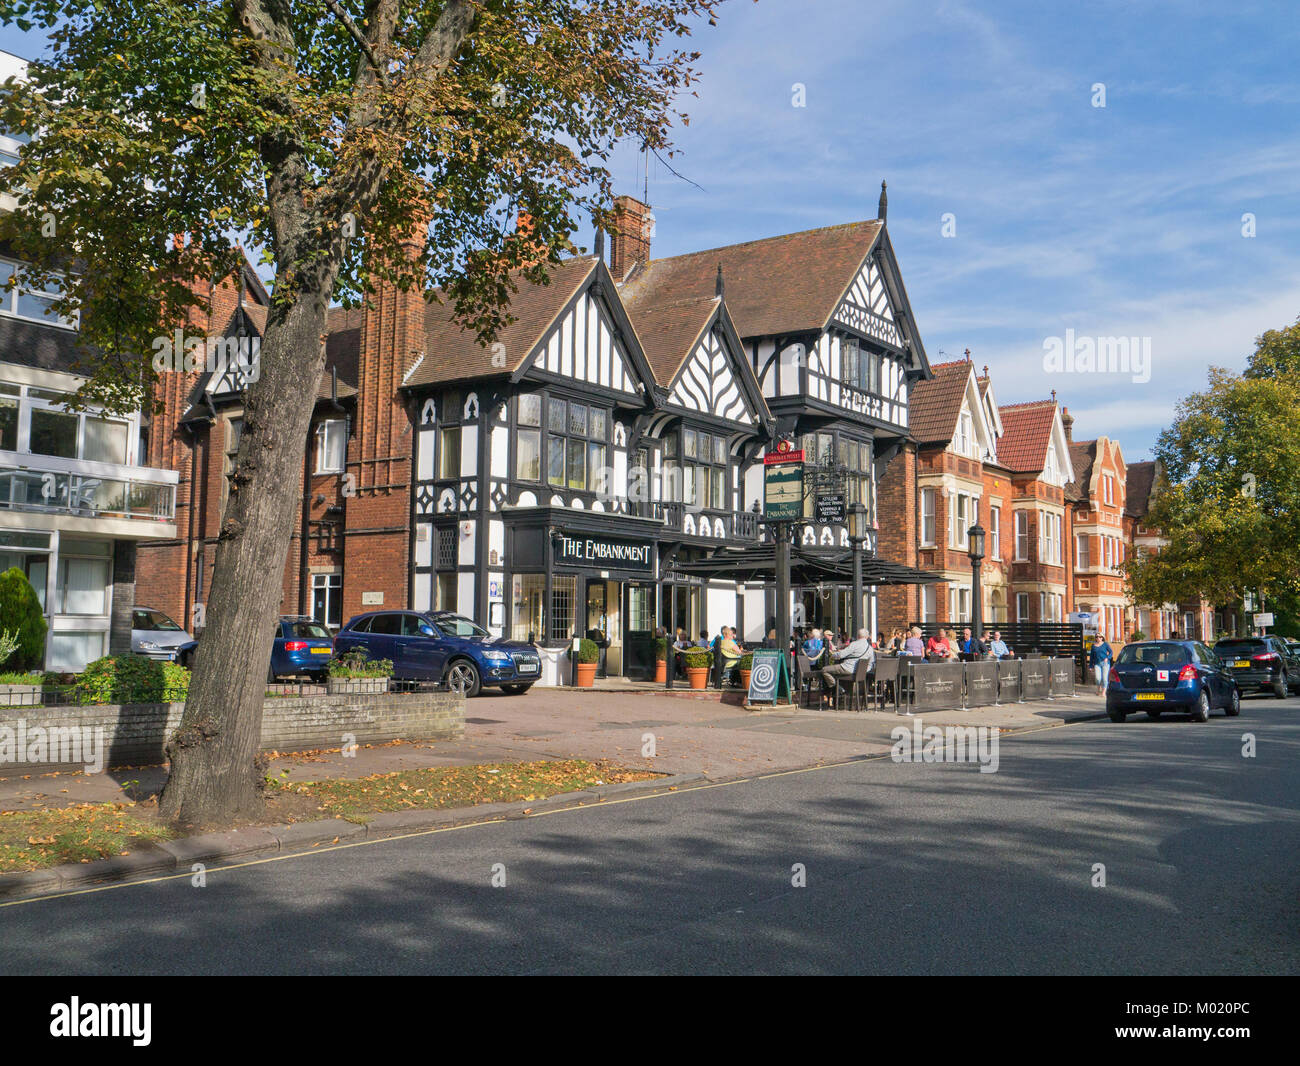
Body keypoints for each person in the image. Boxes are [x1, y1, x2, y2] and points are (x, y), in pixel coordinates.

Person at [820, 627, 876, 706]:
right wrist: (863, 671)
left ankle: (837, 688)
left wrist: (832, 656)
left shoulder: (855, 644)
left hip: (847, 668)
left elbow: (841, 655)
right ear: (867, 637)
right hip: (860, 674)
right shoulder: (870, 648)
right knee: (834, 672)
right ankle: (838, 690)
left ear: (858, 636)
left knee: (824, 670)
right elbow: (871, 663)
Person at [1090, 632, 1114, 696]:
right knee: (1097, 678)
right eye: (1097, 637)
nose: (1098, 638)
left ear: (1102, 638)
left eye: (1100, 637)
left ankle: (1103, 692)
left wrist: (1107, 658)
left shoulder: (1105, 644)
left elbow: (1111, 652)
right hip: (1097, 664)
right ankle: (1098, 690)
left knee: (1104, 678)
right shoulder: (1093, 646)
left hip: (1105, 663)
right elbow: (1091, 656)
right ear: (1095, 638)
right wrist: (1090, 666)